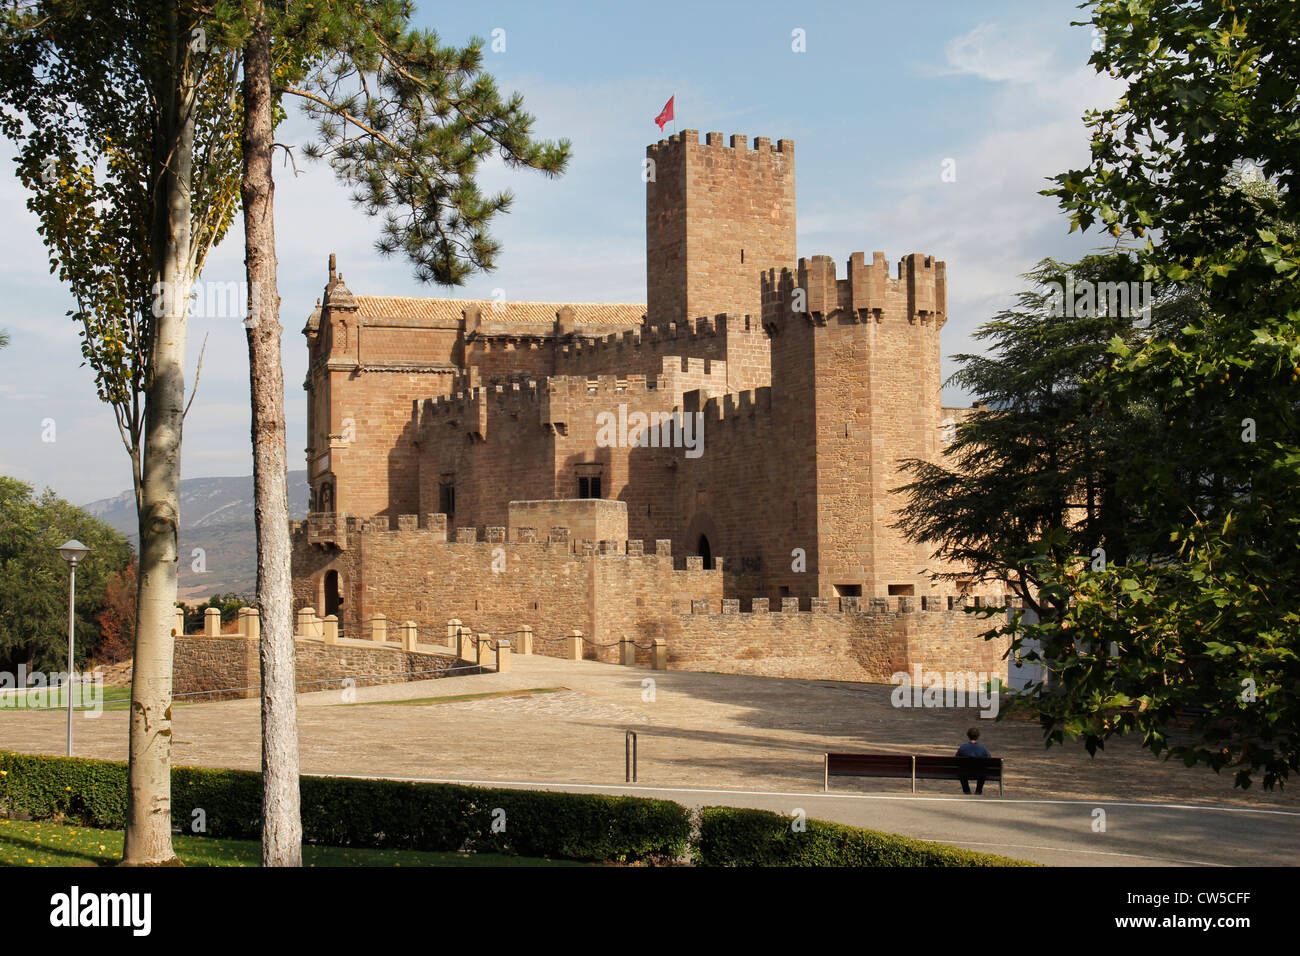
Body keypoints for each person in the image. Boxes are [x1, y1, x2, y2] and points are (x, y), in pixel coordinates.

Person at [956, 727, 991, 795]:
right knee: (983, 771)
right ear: (978, 736)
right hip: (979, 773)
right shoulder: (983, 748)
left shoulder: (963, 747)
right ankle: (978, 790)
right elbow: (989, 760)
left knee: (961, 771)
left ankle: (966, 790)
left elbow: (956, 759)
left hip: (965, 773)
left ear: (968, 736)